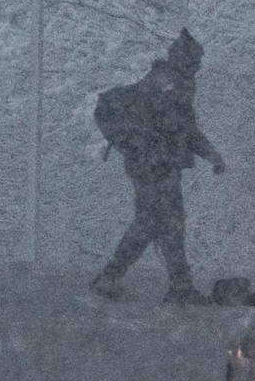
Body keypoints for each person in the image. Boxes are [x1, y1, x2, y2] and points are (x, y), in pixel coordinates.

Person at [90, 30, 224, 301]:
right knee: (157, 222)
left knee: (164, 223)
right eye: (195, 60)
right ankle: (122, 278)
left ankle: (174, 284)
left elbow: (183, 127)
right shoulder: (169, 83)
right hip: (154, 164)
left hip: (154, 163)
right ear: (186, 60)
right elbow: (180, 126)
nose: (198, 67)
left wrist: (209, 154)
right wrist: (208, 154)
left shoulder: (170, 80)